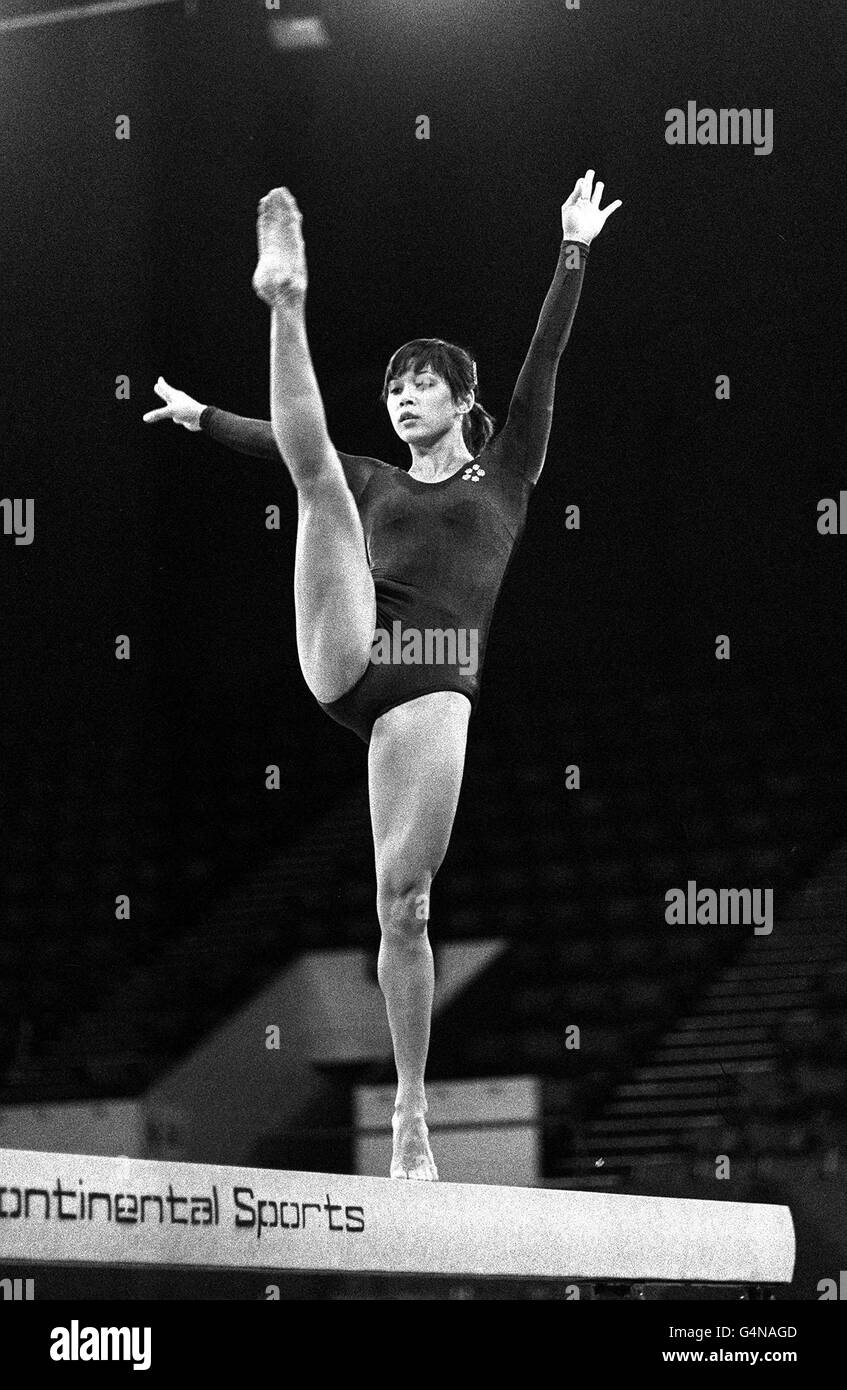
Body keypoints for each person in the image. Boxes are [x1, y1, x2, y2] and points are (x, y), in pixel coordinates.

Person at [143, 169, 621, 1180]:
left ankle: (410, 1112)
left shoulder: (508, 471)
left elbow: (544, 357)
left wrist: (572, 247)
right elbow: (282, 443)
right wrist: (199, 418)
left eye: (420, 383)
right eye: (393, 385)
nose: (401, 396)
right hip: (352, 648)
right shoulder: (377, 477)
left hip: (431, 682)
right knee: (320, 479)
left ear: (462, 400)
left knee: (404, 905)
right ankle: (286, 299)